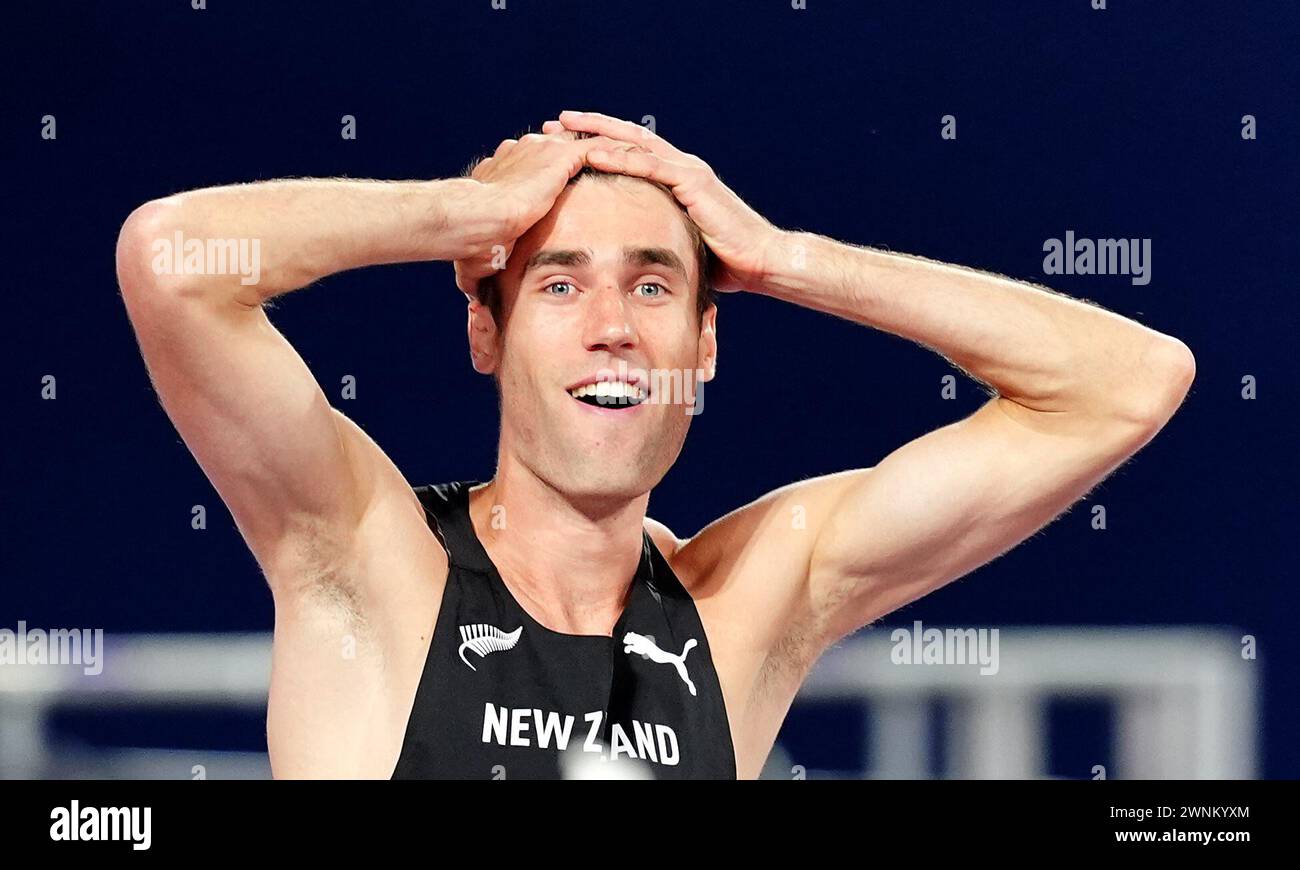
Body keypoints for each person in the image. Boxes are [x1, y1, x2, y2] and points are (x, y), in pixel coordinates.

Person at [115, 110, 1195, 779]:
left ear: (704, 341)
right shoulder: (368, 559)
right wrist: (459, 216)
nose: (612, 327)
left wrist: (784, 257)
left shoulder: (743, 608)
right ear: (485, 332)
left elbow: (1127, 383)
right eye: (557, 284)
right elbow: (172, 264)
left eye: (651, 285)